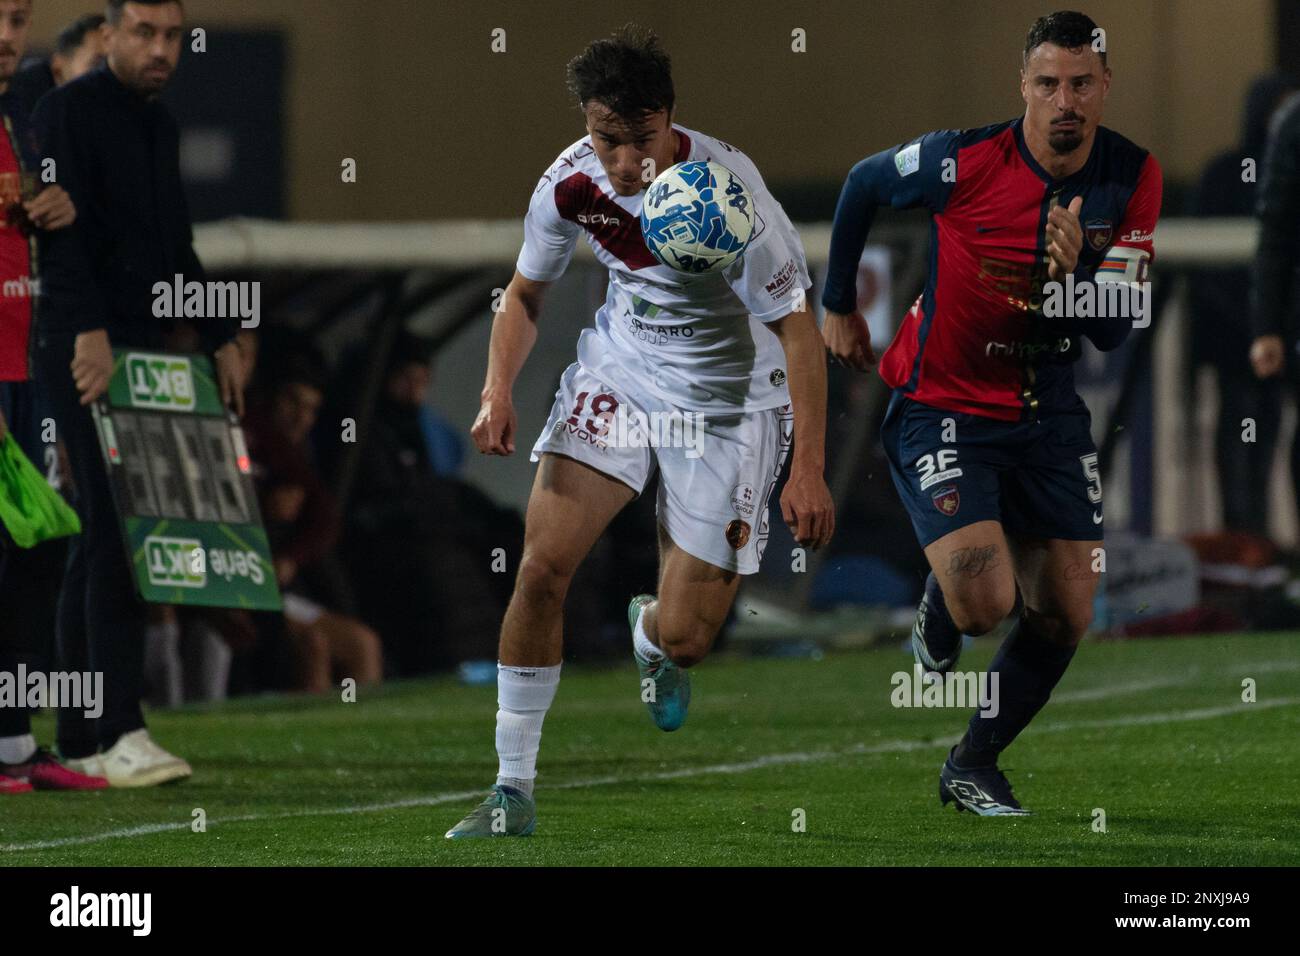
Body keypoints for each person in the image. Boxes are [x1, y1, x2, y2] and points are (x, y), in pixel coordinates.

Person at [445, 25, 832, 838]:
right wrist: (496, 390)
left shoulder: (734, 199)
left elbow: (799, 330)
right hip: (623, 373)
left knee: (692, 638)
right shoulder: (570, 183)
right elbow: (522, 294)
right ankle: (511, 788)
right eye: (607, 138)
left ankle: (650, 635)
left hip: (730, 399)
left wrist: (810, 469)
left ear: (672, 119)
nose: (626, 162)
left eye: (642, 139)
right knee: (544, 563)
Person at [822, 10, 1162, 815]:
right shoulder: (960, 160)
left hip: (1047, 412)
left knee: (1071, 609)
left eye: (1082, 83)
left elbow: (1113, 333)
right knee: (986, 605)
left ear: (1105, 87)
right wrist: (836, 304)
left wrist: (1078, 270)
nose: (1065, 101)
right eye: (1048, 83)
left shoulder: (1132, 177)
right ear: (1024, 87)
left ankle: (973, 761)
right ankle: (946, 597)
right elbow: (864, 183)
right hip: (943, 404)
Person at [30, 0, 246, 787]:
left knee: (105, 540)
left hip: (143, 349)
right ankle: (119, 726)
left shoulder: (159, 125)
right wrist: (86, 330)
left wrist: (221, 332)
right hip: (81, 348)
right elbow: (59, 237)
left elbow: (174, 245)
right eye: (145, 34)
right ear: (111, 34)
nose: (161, 50)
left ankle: (87, 735)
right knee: (119, 536)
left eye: (172, 37)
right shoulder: (63, 114)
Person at [0, 0, 105, 794]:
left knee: (31, 552)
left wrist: (55, 207)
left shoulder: (20, 122)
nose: (11, 37)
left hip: (25, 373)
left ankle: (13, 745)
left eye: (19, 19)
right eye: (0, 19)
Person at [1188, 75, 1296, 536]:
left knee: (1267, 437)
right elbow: (1207, 263)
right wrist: (1254, 325)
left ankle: (1263, 549)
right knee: (1240, 438)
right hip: (1238, 348)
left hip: (1276, 345)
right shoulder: (1226, 174)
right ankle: (1243, 545)